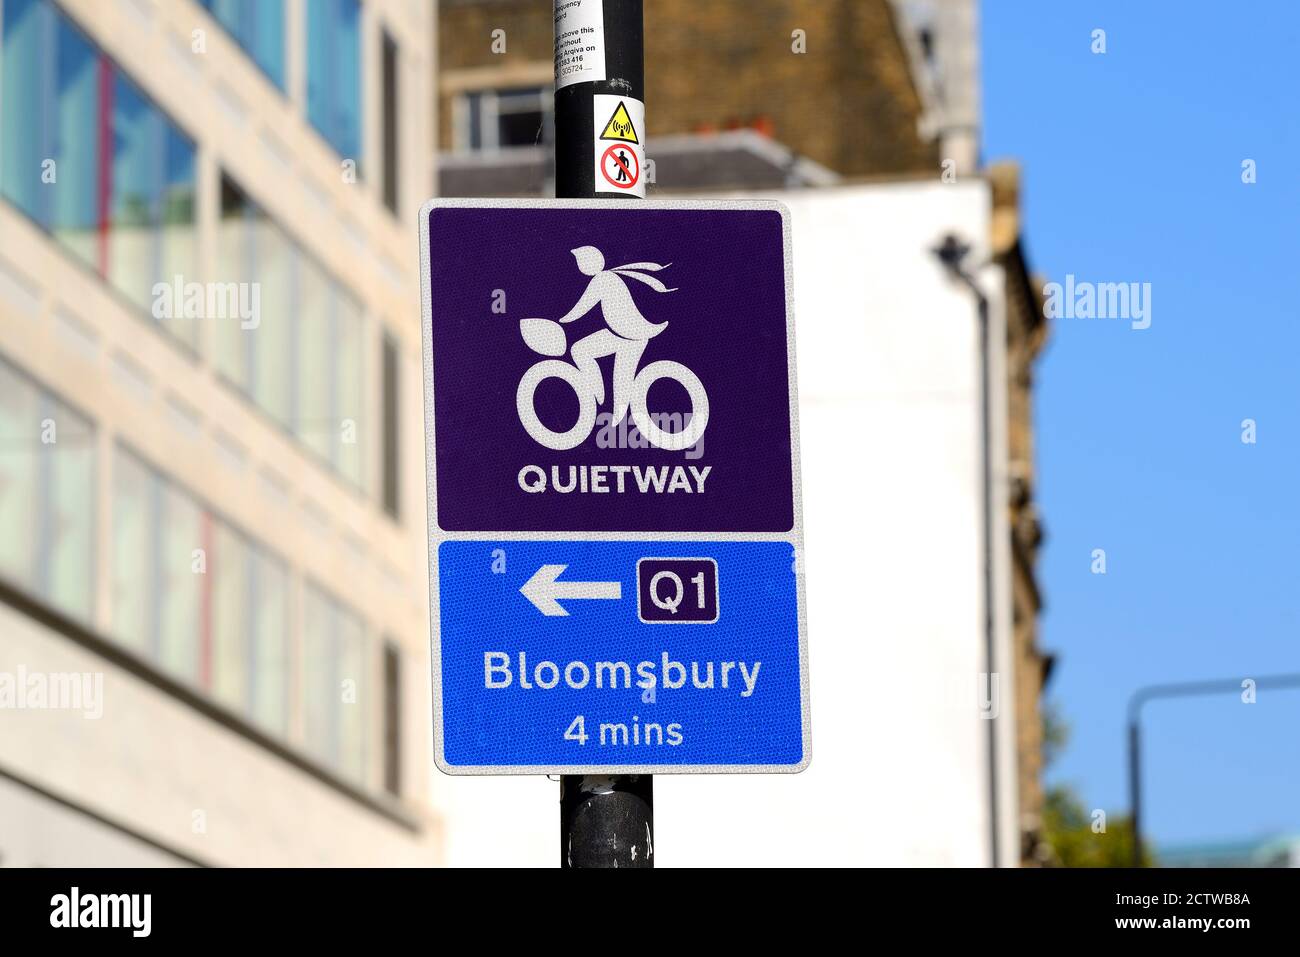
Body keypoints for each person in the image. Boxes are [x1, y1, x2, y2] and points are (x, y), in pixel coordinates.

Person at [556, 246, 676, 418]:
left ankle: (602, 400)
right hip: (622, 335)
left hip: (629, 338)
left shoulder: (603, 279)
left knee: (619, 380)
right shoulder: (610, 276)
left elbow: (582, 307)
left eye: (581, 261)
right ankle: (601, 397)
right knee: (582, 352)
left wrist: (563, 320)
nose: (580, 266)